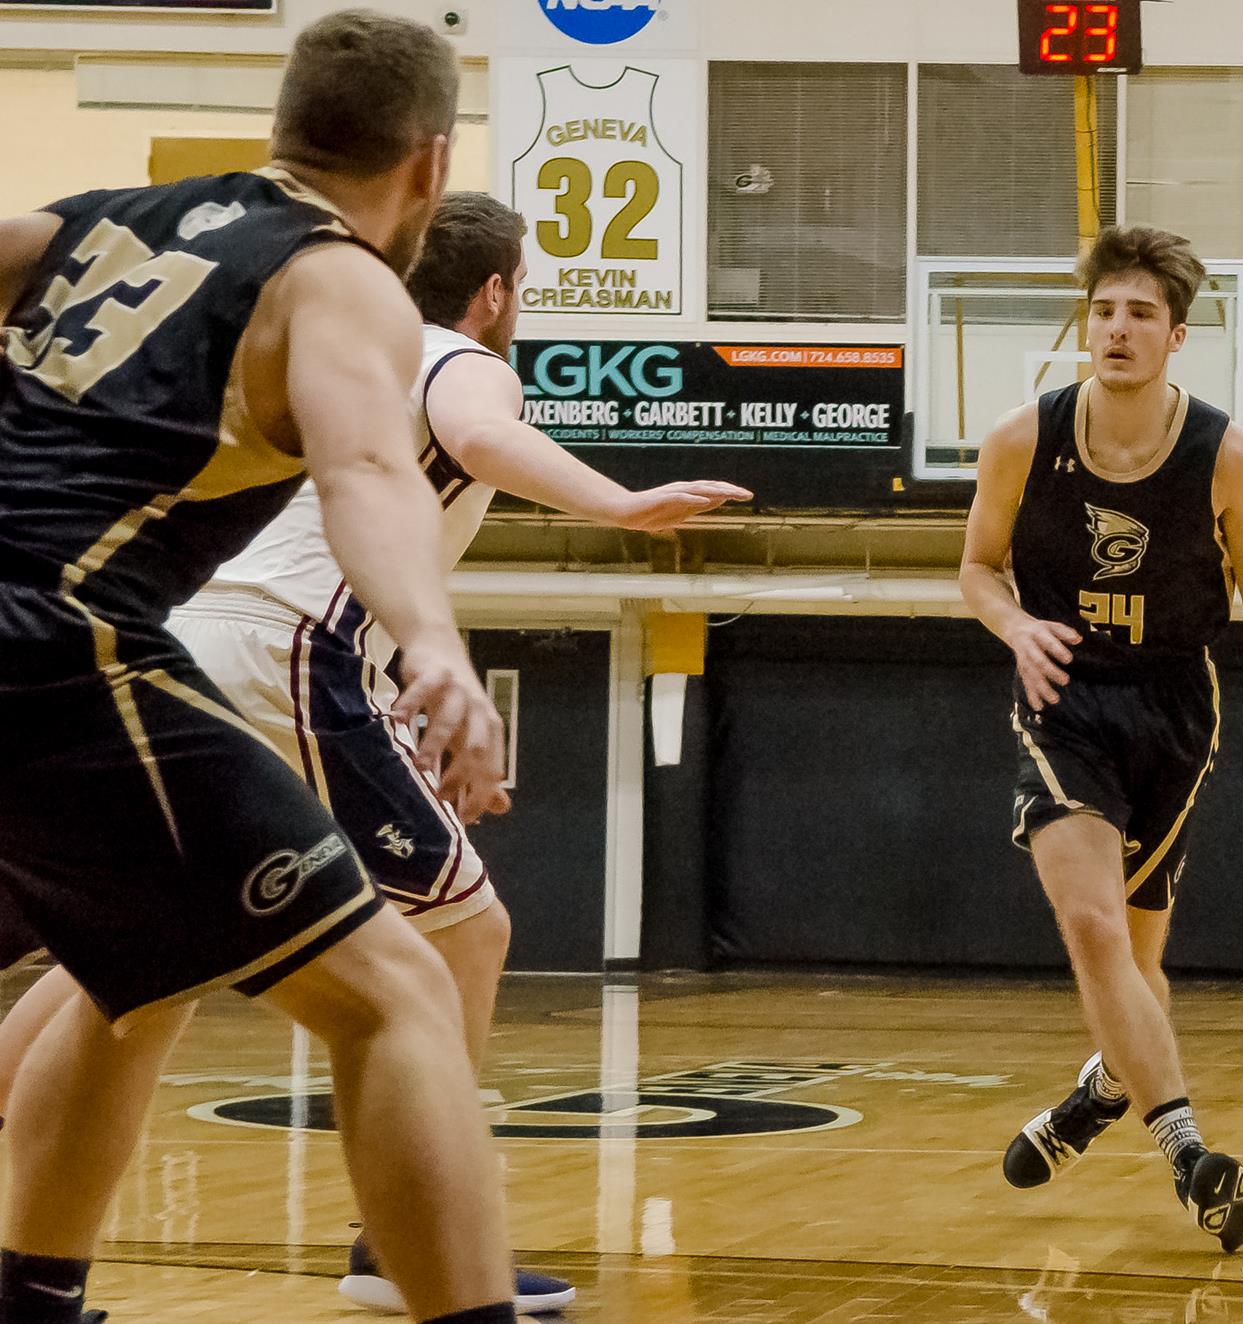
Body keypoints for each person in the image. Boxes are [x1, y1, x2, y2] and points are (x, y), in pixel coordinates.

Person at [0, 191, 752, 1315]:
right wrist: (623, 501)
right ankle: (404, 1241)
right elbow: (482, 434)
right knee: (463, 929)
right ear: (495, 291)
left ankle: (35, 1264)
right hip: (282, 653)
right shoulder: (451, 351)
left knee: (141, 950)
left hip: (175, 634)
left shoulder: (317, 330)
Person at [0, 12, 521, 1324]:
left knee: (145, 967)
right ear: (427, 163)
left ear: (283, 127)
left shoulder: (89, 221)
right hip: (53, 651)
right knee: (398, 997)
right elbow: (363, 466)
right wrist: (435, 640)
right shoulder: (339, 279)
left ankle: (33, 1298)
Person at [959, 225, 1243, 1252]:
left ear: (1175, 337)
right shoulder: (1022, 438)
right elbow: (976, 568)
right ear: (1088, 327)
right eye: (1104, 311)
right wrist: (1014, 623)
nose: (1117, 329)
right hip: (1063, 697)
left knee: (1138, 967)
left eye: (1139, 315)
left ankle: (1097, 1091)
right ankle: (1191, 1154)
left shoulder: (1225, 453)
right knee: (1091, 930)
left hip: (1172, 709)